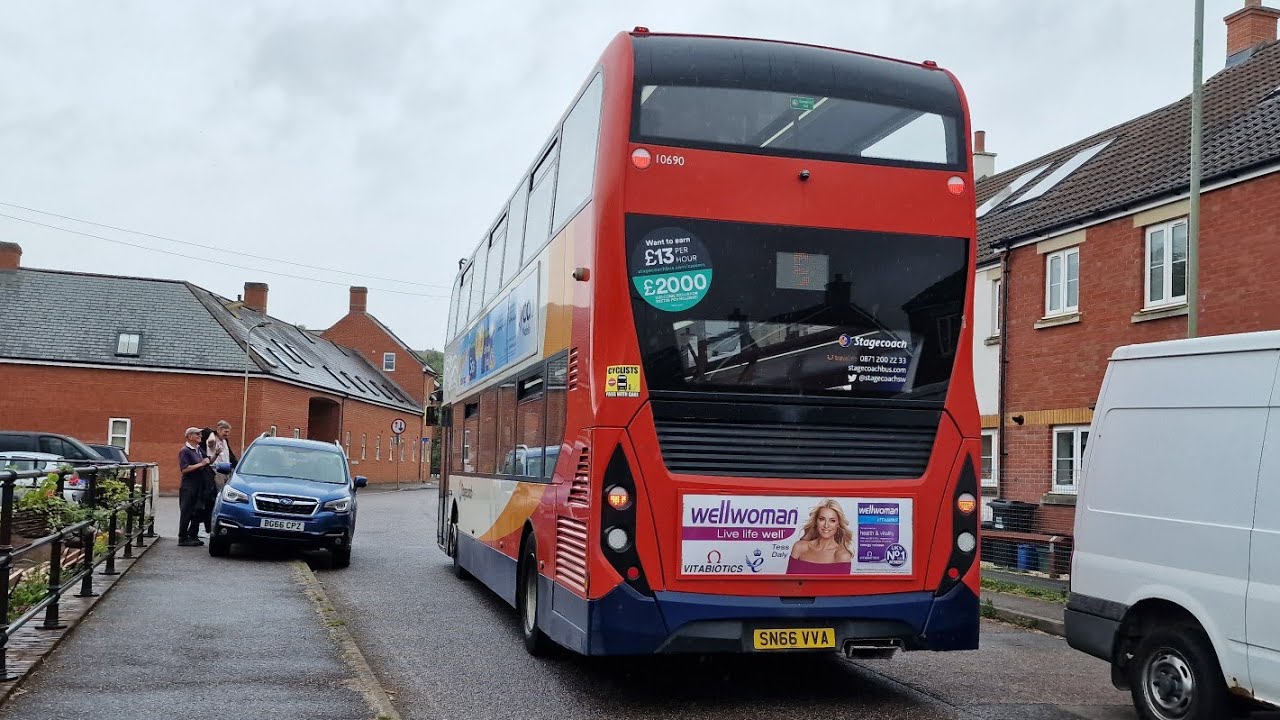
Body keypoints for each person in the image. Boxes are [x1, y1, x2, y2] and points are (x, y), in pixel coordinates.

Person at [786, 499, 854, 575]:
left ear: (838, 524)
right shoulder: (800, 547)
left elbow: (842, 587)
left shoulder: (842, 555)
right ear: (816, 521)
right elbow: (788, 584)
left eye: (832, 520)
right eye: (822, 519)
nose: (826, 525)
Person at [177, 427, 213, 546]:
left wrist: (216, 454)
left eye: (200, 434)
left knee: (197, 511)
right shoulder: (185, 451)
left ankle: (193, 534)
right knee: (186, 511)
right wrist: (200, 464)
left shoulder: (198, 449)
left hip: (199, 486)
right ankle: (182, 537)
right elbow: (184, 469)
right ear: (189, 436)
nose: (200, 436)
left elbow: (208, 461)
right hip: (189, 486)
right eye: (197, 434)